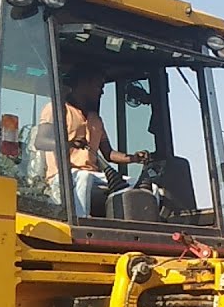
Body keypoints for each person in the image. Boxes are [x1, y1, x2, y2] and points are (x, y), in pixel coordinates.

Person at [36, 62, 149, 215]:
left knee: (144, 186)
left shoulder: (95, 119)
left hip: (93, 175)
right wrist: (69, 144)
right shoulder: (56, 109)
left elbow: (109, 153)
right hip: (63, 177)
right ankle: (80, 221)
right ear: (83, 84)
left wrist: (134, 158)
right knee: (83, 178)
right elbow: (40, 141)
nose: (101, 93)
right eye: (99, 87)